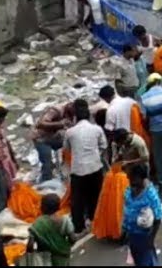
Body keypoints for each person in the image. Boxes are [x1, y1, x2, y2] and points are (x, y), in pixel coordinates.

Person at [64, 99, 107, 234]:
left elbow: (67, 148)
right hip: (95, 166)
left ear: (75, 117)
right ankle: (95, 219)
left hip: (78, 169)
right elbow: (103, 146)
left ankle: (79, 226)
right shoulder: (97, 129)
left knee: (77, 199)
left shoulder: (70, 132)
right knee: (95, 195)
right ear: (89, 116)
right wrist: (95, 154)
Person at [122, 162, 162, 266]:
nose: (131, 182)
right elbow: (127, 210)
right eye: (130, 179)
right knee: (138, 259)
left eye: (134, 179)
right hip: (132, 235)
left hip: (145, 236)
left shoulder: (150, 195)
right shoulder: (129, 192)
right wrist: (125, 229)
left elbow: (158, 218)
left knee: (146, 261)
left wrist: (151, 238)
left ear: (142, 178)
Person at [139, 75, 162, 186]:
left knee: (158, 154)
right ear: (160, 82)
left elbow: (144, 116)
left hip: (155, 130)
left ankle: (161, 177)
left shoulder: (144, 98)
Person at [27, 192, 74, 266]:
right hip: (62, 257)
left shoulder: (38, 223)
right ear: (58, 207)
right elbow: (73, 238)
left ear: (43, 208)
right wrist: (66, 246)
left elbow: (30, 245)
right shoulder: (65, 220)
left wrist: (31, 256)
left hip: (45, 258)